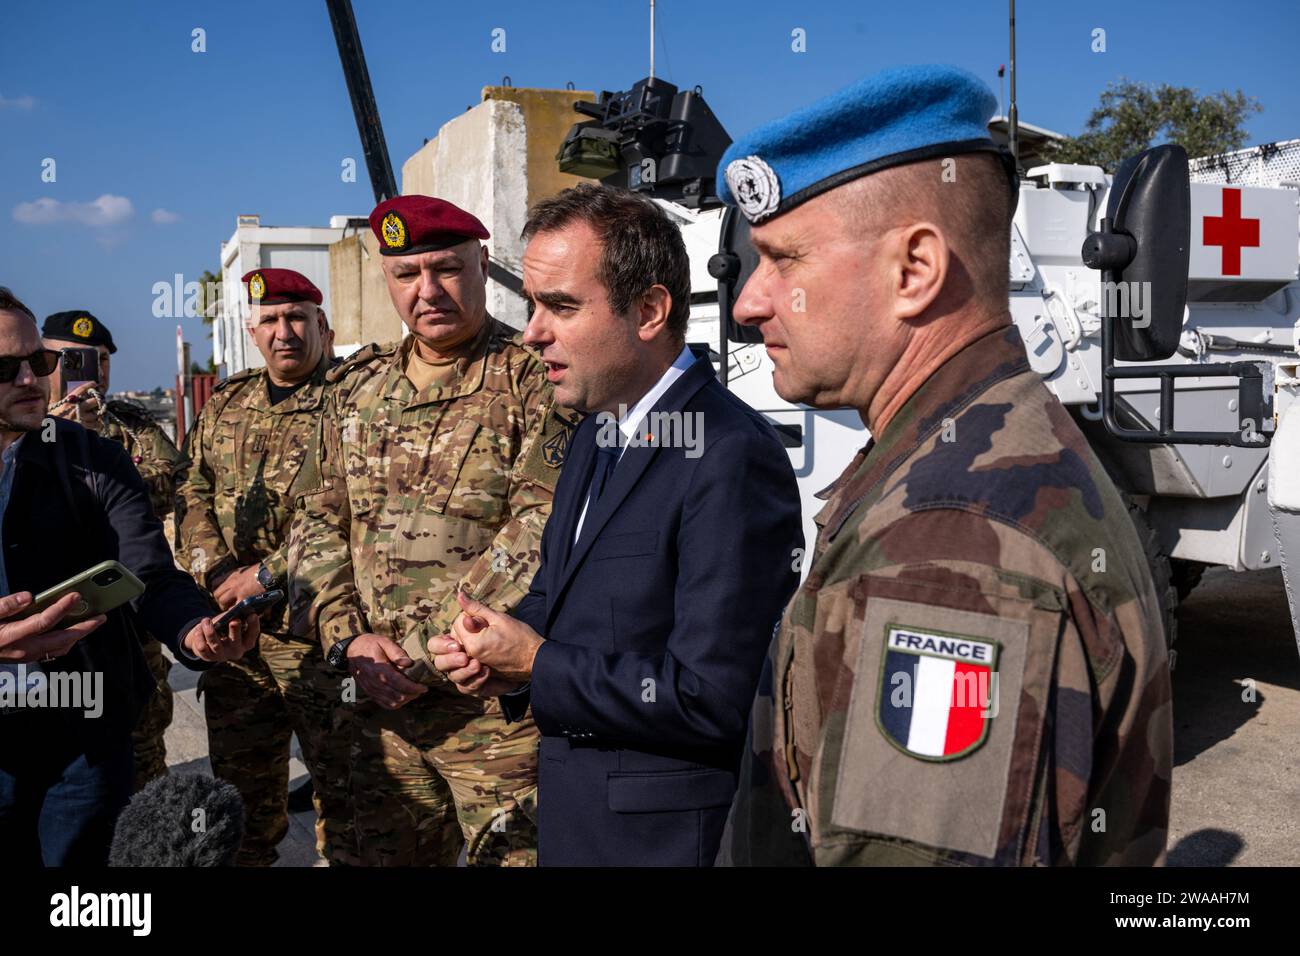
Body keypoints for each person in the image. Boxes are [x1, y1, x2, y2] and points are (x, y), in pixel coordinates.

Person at [708, 65, 1171, 866]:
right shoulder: (981, 443)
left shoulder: (949, 545)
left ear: (914, 270)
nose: (750, 302)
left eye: (784, 260)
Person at [429, 183, 803, 866]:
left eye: (562, 306)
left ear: (650, 310)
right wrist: (497, 653)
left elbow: (709, 696)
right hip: (580, 825)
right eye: (535, 306)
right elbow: (565, 597)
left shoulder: (727, 454)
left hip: (660, 844)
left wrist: (537, 664)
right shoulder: (596, 434)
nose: (535, 330)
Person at [288, 195, 572, 866]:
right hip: (371, 715)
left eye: (446, 268)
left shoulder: (536, 378)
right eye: (407, 275)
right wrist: (345, 639)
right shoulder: (354, 388)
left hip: (490, 718)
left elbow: (544, 526)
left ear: (481, 266)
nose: (429, 291)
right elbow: (315, 517)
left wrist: (416, 652)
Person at [0, 286, 257, 866]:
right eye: (4, 368)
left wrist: (194, 630)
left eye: (37, 363)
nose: (30, 380)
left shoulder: (95, 458)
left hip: (83, 738)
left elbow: (147, 570)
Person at [173, 268, 354, 866]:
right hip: (236, 639)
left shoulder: (353, 399)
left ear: (322, 326)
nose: (285, 332)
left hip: (318, 633)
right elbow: (190, 489)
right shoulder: (227, 401)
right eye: (271, 320)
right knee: (240, 808)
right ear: (253, 331)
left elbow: (348, 504)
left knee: (350, 802)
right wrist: (219, 573)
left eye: (298, 317)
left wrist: (267, 575)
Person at [42, 309, 188, 792]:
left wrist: (99, 450)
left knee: (143, 742)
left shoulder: (131, 424)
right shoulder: (19, 423)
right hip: (43, 618)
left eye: (100, 361)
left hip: (126, 611)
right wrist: (54, 438)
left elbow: (178, 487)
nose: (91, 371)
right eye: (73, 358)